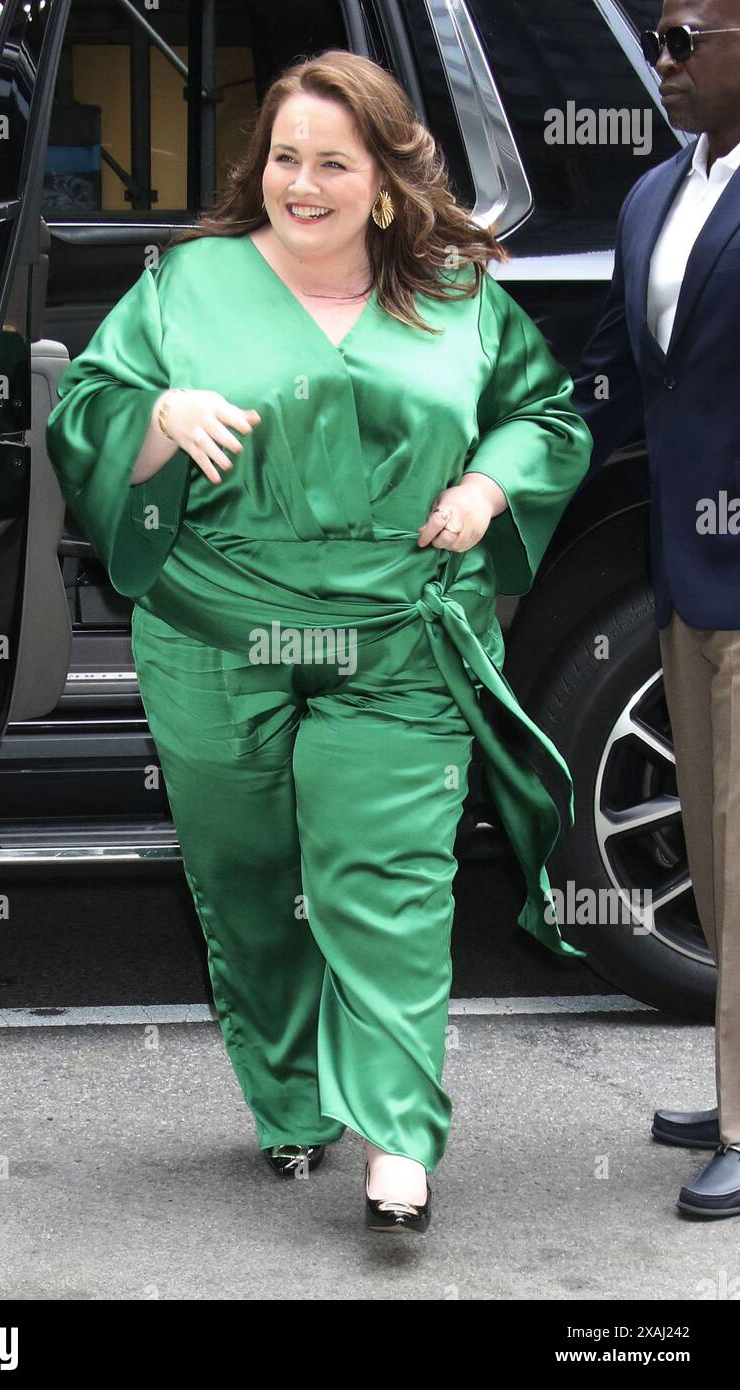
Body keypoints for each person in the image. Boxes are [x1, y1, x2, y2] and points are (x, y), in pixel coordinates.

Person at [46, 49, 592, 1236]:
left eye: (332, 163)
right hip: (215, 630)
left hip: (393, 634)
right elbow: (83, 410)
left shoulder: (455, 293)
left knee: (387, 880)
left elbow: (544, 416)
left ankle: (399, 1136)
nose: (301, 183)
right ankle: (291, 1102)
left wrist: (491, 490)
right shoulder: (188, 282)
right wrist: (159, 415)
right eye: (284, 157)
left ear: (385, 182)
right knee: (248, 884)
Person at [572, 2, 740, 1219]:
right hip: (686, 579)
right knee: (713, 844)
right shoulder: (651, 200)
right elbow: (617, 384)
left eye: (686, 37)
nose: (661, 61)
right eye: (658, 39)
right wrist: (497, 473)